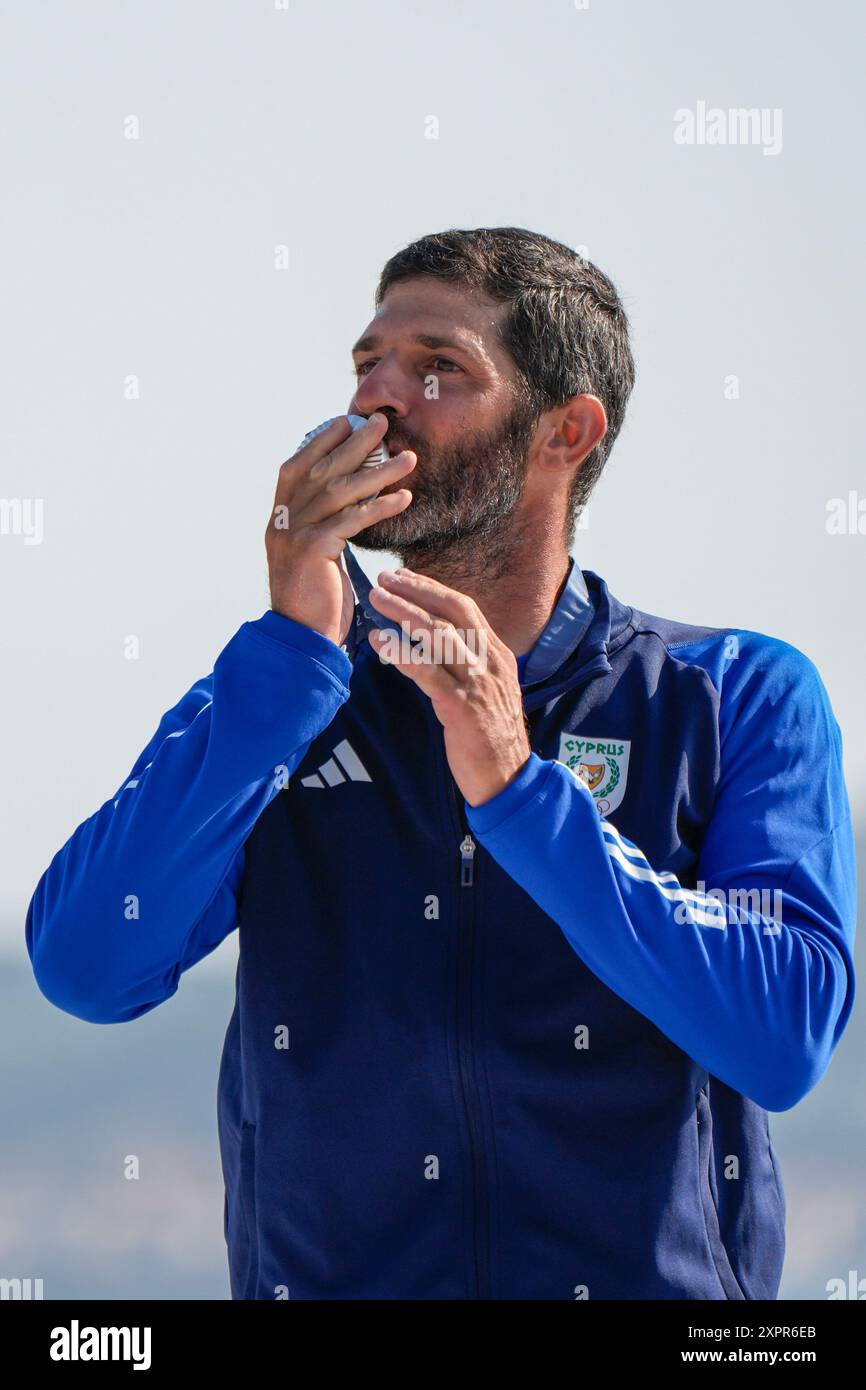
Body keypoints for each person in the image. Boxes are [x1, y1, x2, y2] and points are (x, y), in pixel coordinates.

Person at [25, 227, 857, 1301]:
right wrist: (287, 659)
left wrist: (518, 793)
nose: (375, 403)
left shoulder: (731, 694)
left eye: (436, 368)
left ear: (568, 429)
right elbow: (88, 966)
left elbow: (782, 1034)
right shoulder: (281, 699)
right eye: (365, 363)